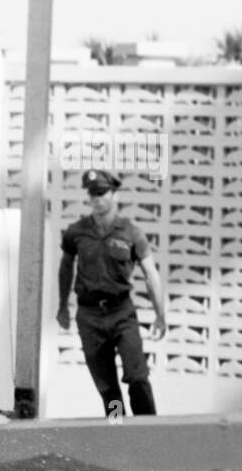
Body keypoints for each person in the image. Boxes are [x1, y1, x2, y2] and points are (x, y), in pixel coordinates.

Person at [57, 169, 167, 416]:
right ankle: (117, 430)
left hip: (121, 312)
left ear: (114, 194)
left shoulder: (131, 232)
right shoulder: (77, 232)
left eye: (102, 193)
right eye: (92, 194)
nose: (97, 199)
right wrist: (62, 305)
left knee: (137, 377)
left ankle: (148, 429)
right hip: (89, 316)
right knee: (108, 388)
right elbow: (65, 268)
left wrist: (160, 316)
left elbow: (151, 275)